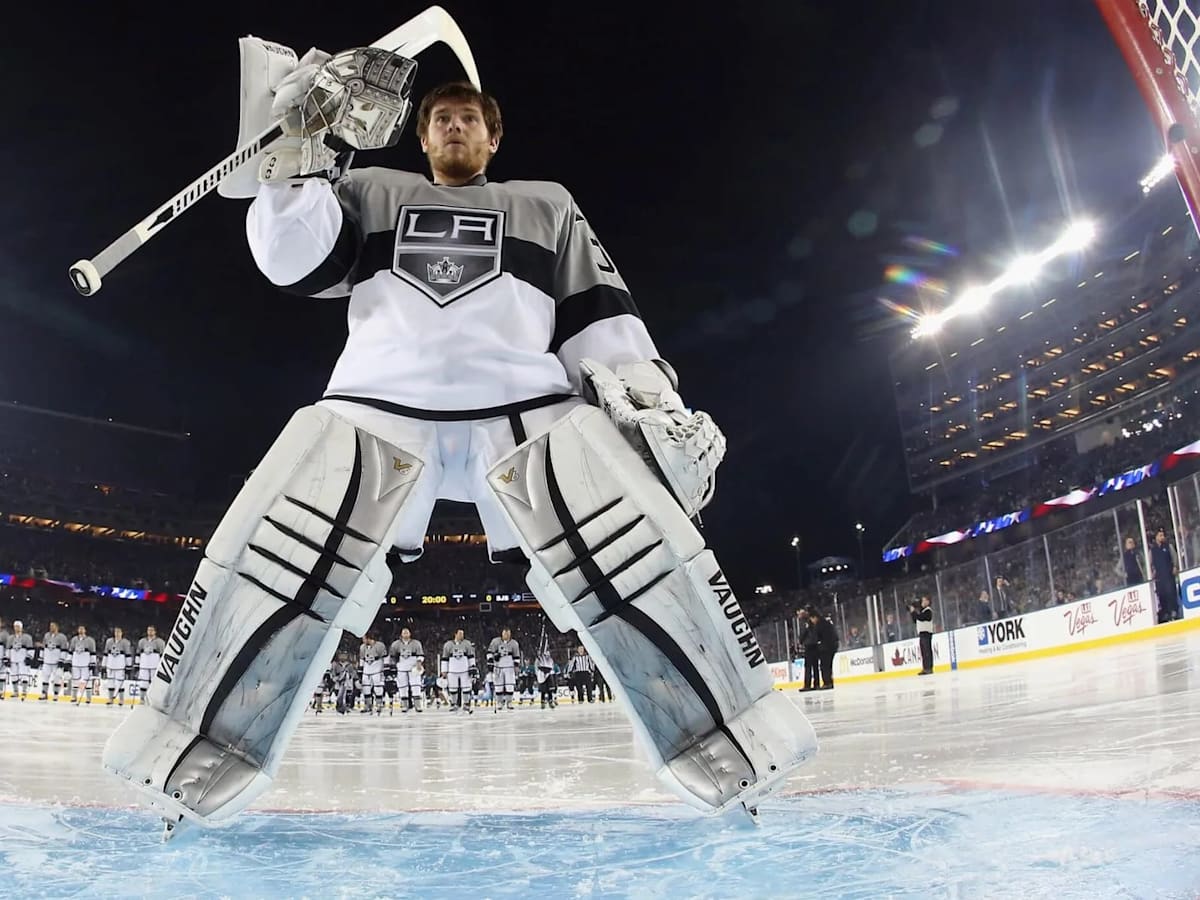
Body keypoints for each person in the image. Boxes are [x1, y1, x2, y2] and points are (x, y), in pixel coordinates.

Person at [104, 53, 809, 834]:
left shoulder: (546, 203)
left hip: (524, 399)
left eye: (469, 118)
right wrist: (297, 154)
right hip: (378, 396)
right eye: (440, 118)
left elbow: (598, 311)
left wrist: (649, 402)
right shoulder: (370, 189)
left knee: (634, 553)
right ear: (421, 137)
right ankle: (188, 755)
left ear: (493, 138)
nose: (454, 126)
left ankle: (736, 746)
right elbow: (290, 262)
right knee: (278, 557)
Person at [388, 627, 425, 713]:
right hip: (401, 667)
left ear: (410, 634)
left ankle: (418, 705)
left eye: (407, 632)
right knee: (402, 687)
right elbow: (392, 656)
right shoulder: (396, 644)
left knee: (416, 686)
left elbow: (420, 655)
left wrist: (419, 662)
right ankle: (404, 705)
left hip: (413, 667)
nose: (405, 634)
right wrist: (394, 666)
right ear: (401, 634)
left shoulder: (416, 643)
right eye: (404, 632)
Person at [441, 628, 476, 714]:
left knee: (466, 687)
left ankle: (466, 704)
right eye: (460, 634)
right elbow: (445, 658)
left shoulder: (467, 644)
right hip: (452, 670)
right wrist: (444, 670)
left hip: (465, 670)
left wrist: (472, 667)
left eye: (462, 634)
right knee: (453, 688)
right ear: (455, 634)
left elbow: (471, 656)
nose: (461, 636)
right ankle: (454, 704)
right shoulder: (448, 645)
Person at [486, 627, 520, 711]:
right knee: (498, 685)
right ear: (502, 633)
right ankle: (499, 702)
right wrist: (491, 660)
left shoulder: (514, 643)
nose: (507, 636)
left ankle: (509, 702)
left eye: (508, 634)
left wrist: (516, 666)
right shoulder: (495, 641)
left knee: (509, 685)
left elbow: (516, 656)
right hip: (498, 666)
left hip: (509, 667)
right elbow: (489, 652)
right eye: (505, 634)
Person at [1150, 528, 1180, 622]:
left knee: (1171, 593)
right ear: (1156, 537)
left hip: (1169, 574)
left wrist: (1175, 566)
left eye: (1163, 535)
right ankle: (1165, 613)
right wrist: (1152, 571)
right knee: (1162, 595)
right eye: (1160, 535)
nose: (1162, 537)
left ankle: (1174, 611)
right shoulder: (1153, 550)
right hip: (1159, 577)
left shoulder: (1168, 546)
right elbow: (1150, 563)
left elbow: (1174, 557)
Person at [133, 626, 165, 706]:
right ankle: (142, 699)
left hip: (154, 665)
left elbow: (162, 655)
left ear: (155, 632)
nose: (150, 632)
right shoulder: (142, 641)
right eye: (148, 630)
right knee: (143, 683)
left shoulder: (160, 642)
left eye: (151, 630)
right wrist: (137, 664)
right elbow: (138, 653)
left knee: (154, 683)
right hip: (144, 665)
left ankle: (154, 700)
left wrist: (161, 666)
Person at [39, 621, 69, 702]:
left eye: (53, 626)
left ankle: (56, 694)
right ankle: (44, 693)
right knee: (45, 677)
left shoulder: (62, 637)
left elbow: (64, 649)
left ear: (57, 627)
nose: (51, 627)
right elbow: (43, 647)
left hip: (56, 662)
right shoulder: (46, 635)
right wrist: (41, 658)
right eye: (50, 626)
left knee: (57, 678)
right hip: (47, 661)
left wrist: (62, 660)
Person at [359, 633, 388, 715]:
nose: (363, 640)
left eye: (364, 639)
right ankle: (368, 705)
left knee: (378, 688)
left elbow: (385, 657)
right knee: (366, 688)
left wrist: (386, 668)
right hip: (366, 669)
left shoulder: (380, 645)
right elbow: (362, 659)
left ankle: (379, 705)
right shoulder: (362, 647)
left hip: (377, 669)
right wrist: (360, 669)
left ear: (369, 638)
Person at [103, 627, 132, 706]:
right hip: (110, 666)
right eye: (116, 632)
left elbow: (128, 655)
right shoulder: (109, 641)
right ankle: (110, 699)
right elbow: (105, 654)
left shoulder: (125, 642)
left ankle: (121, 700)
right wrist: (103, 665)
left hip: (120, 666)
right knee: (110, 683)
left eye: (119, 632)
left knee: (120, 684)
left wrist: (128, 666)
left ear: (122, 633)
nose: (117, 634)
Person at [810, 609, 839, 690]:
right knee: (828, 666)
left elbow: (816, 637)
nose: (812, 621)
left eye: (812, 619)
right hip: (832, 646)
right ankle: (830, 682)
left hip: (825, 648)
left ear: (815, 617)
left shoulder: (819, 624)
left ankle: (827, 682)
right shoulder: (827, 622)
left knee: (824, 666)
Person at [5, 621, 34, 701]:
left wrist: (29, 657)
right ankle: (15, 692)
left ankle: (24, 691)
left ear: (21, 627)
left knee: (24, 675)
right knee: (13, 675)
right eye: (15, 626)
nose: (16, 628)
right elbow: (8, 649)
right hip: (13, 659)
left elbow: (30, 649)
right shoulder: (10, 638)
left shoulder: (27, 638)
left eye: (18, 626)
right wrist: (7, 658)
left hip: (22, 659)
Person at [68, 625, 96, 705]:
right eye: (79, 629)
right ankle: (74, 697)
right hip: (75, 663)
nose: (80, 630)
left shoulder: (90, 640)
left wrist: (93, 663)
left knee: (87, 681)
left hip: (85, 664)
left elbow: (93, 653)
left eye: (82, 629)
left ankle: (88, 698)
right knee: (75, 680)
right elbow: (71, 651)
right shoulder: (74, 639)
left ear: (85, 630)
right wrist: (68, 661)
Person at [911, 597, 934, 675]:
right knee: (923, 652)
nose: (922, 602)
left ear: (928, 602)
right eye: (922, 600)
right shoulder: (922, 611)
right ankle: (925, 668)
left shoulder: (928, 611)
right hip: (921, 633)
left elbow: (921, 618)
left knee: (927, 651)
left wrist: (914, 612)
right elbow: (915, 620)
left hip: (926, 633)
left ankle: (929, 668)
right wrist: (912, 612)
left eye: (924, 600)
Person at [798, 608, 820, 692]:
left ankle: (807, 685)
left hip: (809, 645)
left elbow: (803, 633)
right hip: (815, 644)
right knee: (815, 665)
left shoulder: (805, 623)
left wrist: (800, 640)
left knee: (808, 666)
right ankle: (816, 684)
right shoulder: (812, 621)